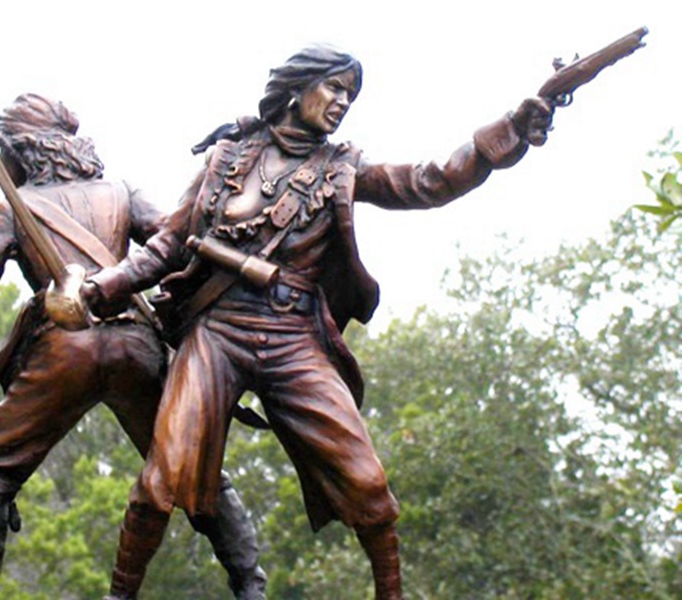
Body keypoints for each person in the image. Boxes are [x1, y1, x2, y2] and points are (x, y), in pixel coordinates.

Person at [84, 45, 553, 600]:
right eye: (333, 87)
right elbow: (167, 241)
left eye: (350, 94)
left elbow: (433, 181)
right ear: (297, 88)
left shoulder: (341, 170)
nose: (342, 102)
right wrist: (104, 285)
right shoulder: (225, 159)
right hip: (217, 332)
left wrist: (512, 130)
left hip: (293, 338)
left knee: (368, 485)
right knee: (162, 478)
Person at [0, 93, 266, 600]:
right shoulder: (121, 193)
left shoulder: (12, 209)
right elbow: (184, 244)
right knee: (194, 467)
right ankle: (252, 590)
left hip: (64, 351)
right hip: (135, 346)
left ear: (20, 152)